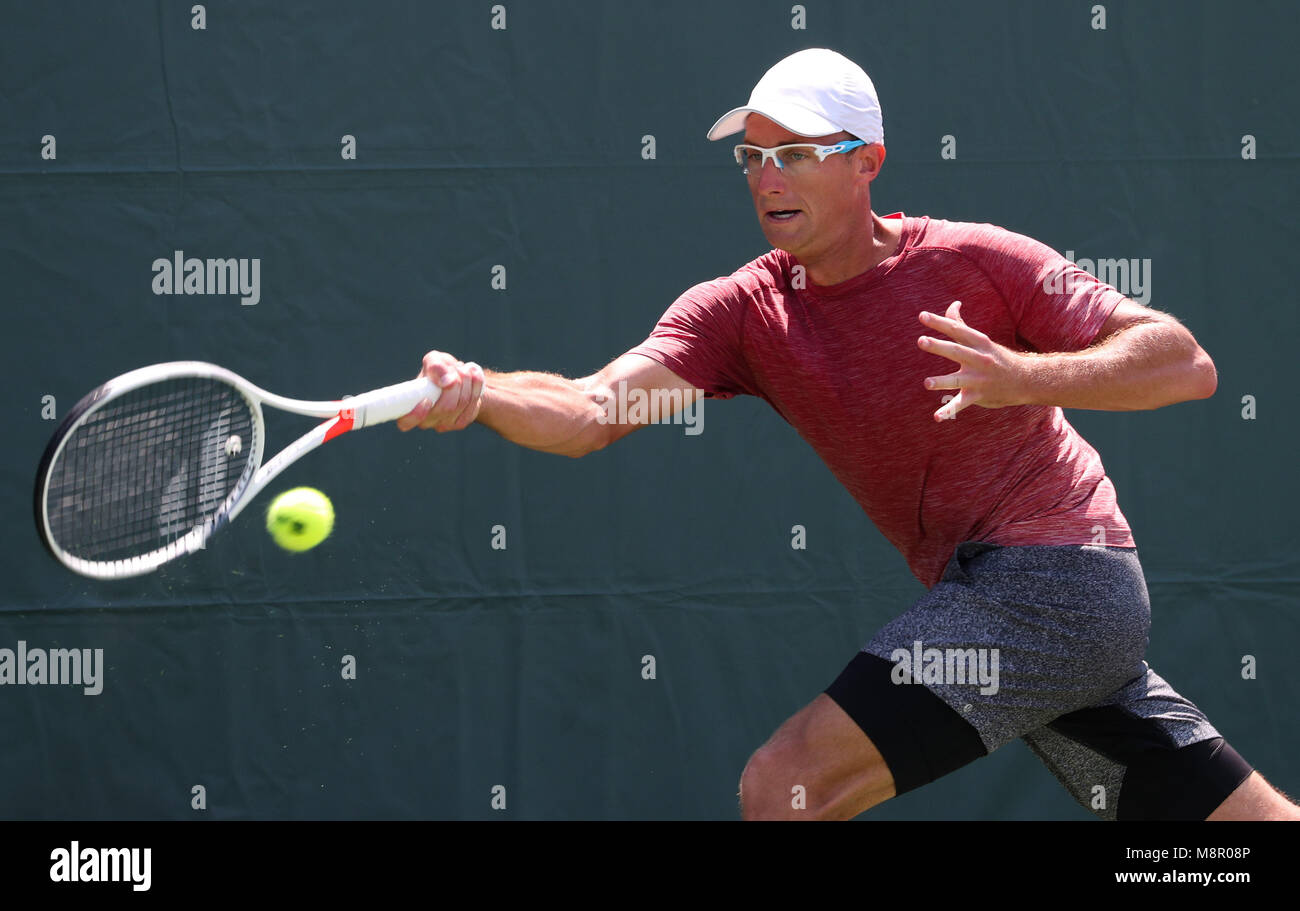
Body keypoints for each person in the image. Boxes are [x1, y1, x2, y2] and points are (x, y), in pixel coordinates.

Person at [397, 48, 1299, 820]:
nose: (768, 177)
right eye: (752, 157)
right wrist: (482, 395)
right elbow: (598, 410)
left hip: (1058, 583)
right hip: (1032, 608)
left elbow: (1183, 360)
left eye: (794, 153)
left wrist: (1027, 375)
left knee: (787, 786)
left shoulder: (977, 260)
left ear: (867, 161)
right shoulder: (742, 312)